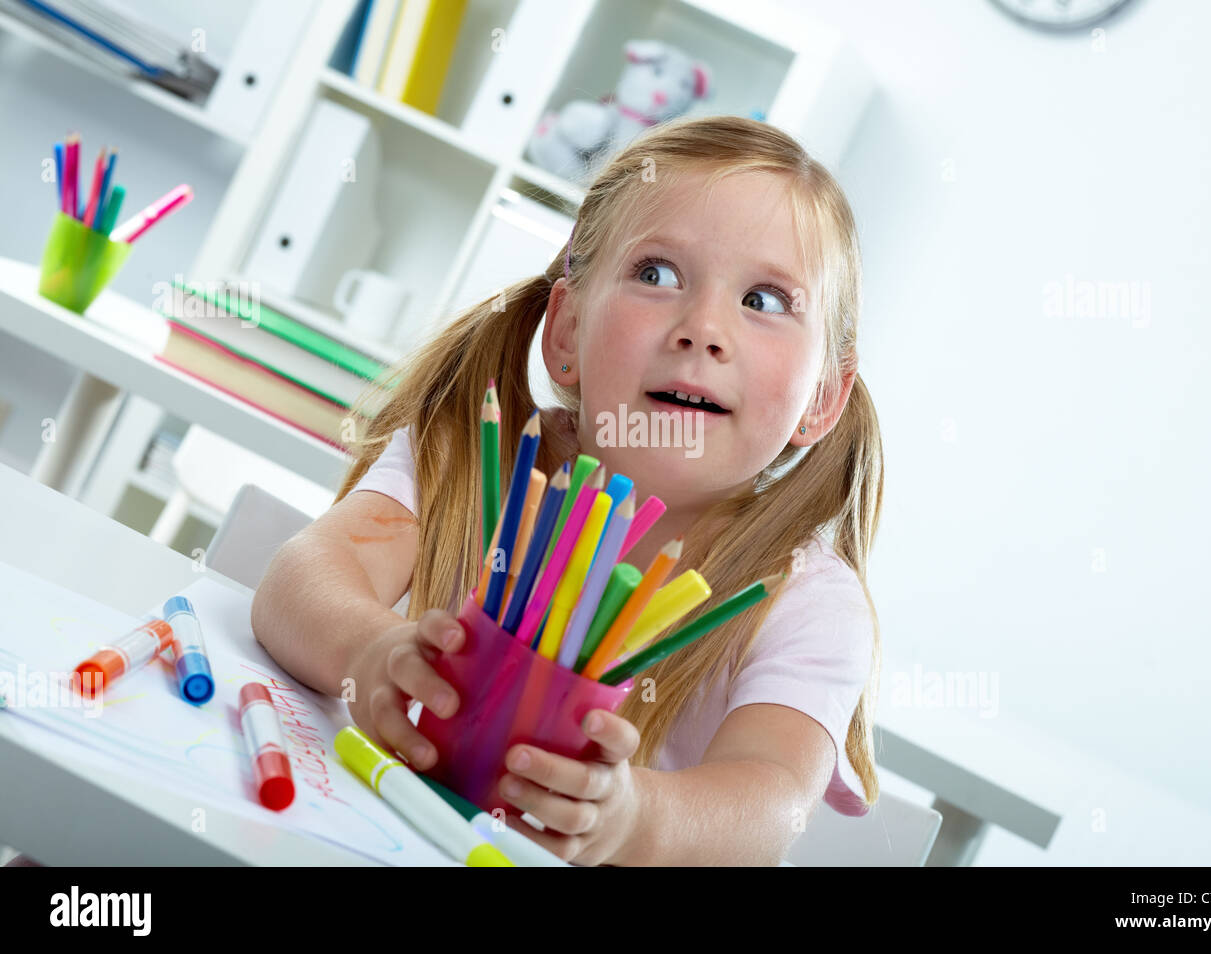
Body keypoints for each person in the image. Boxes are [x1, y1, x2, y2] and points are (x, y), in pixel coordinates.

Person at [253, 115, 885, 866]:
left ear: (821, 397)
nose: (704, 329)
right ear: (565, 331)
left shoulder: (807, 600)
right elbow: (300, 577)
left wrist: (632, 818)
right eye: (656, 274)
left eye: (767, 301)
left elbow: (771, 801)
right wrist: (368, 654)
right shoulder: (475, 455)